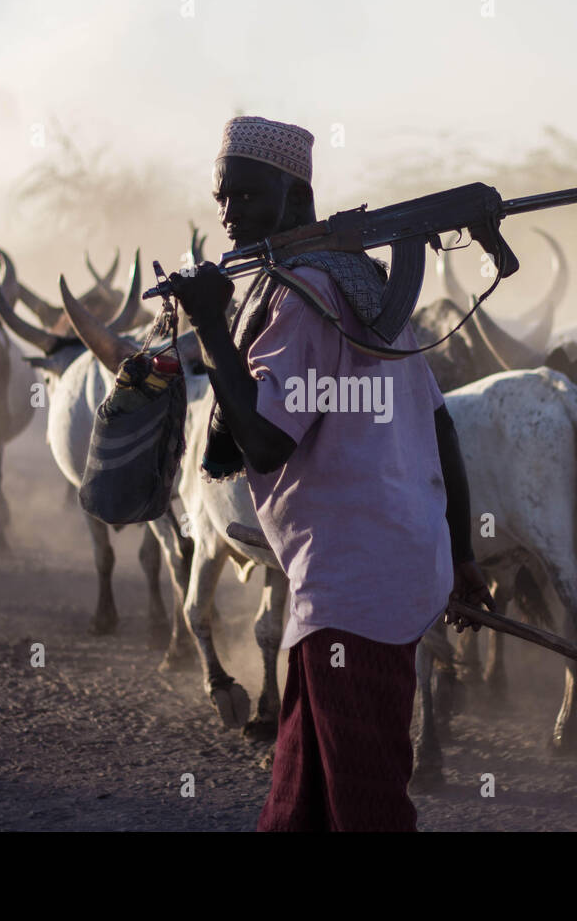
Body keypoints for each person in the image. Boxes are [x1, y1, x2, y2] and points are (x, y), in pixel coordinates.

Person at [169, 115, 492, 832]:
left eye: (247, 197)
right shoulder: (368, 287)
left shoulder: (302, 297)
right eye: (222, 197)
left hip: (351, 589)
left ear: (297, 195)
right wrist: (461, 556)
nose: (229, 214)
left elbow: (262, 445)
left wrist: (212, 328)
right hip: (365, 580)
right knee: (301, 802)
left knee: (365, 808)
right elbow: (437, 424)